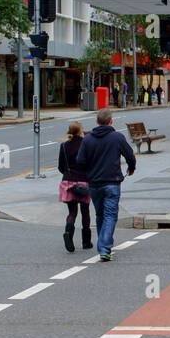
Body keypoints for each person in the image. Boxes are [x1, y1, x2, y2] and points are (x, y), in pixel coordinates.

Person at [75, 108, 136, 261]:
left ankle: (103, 244)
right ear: (111, 121)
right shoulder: (117, 137)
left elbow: (80, 161)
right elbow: (130, 155)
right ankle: (104, 248)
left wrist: (89, 172)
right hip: (112, 182)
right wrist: (131, 168)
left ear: (96, 121)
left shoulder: (87, 139)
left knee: (100, 214)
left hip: (94, 184)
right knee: (110, 215)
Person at [57, 121, 91, 252]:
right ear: (80, 131)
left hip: (68, 182)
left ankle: (68, 234)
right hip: (83, 181)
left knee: (72, 212)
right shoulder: (86, 144)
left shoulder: (64, 146)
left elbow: (60, 167)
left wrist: (68, 174)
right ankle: (86, 241)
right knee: (85, 211)